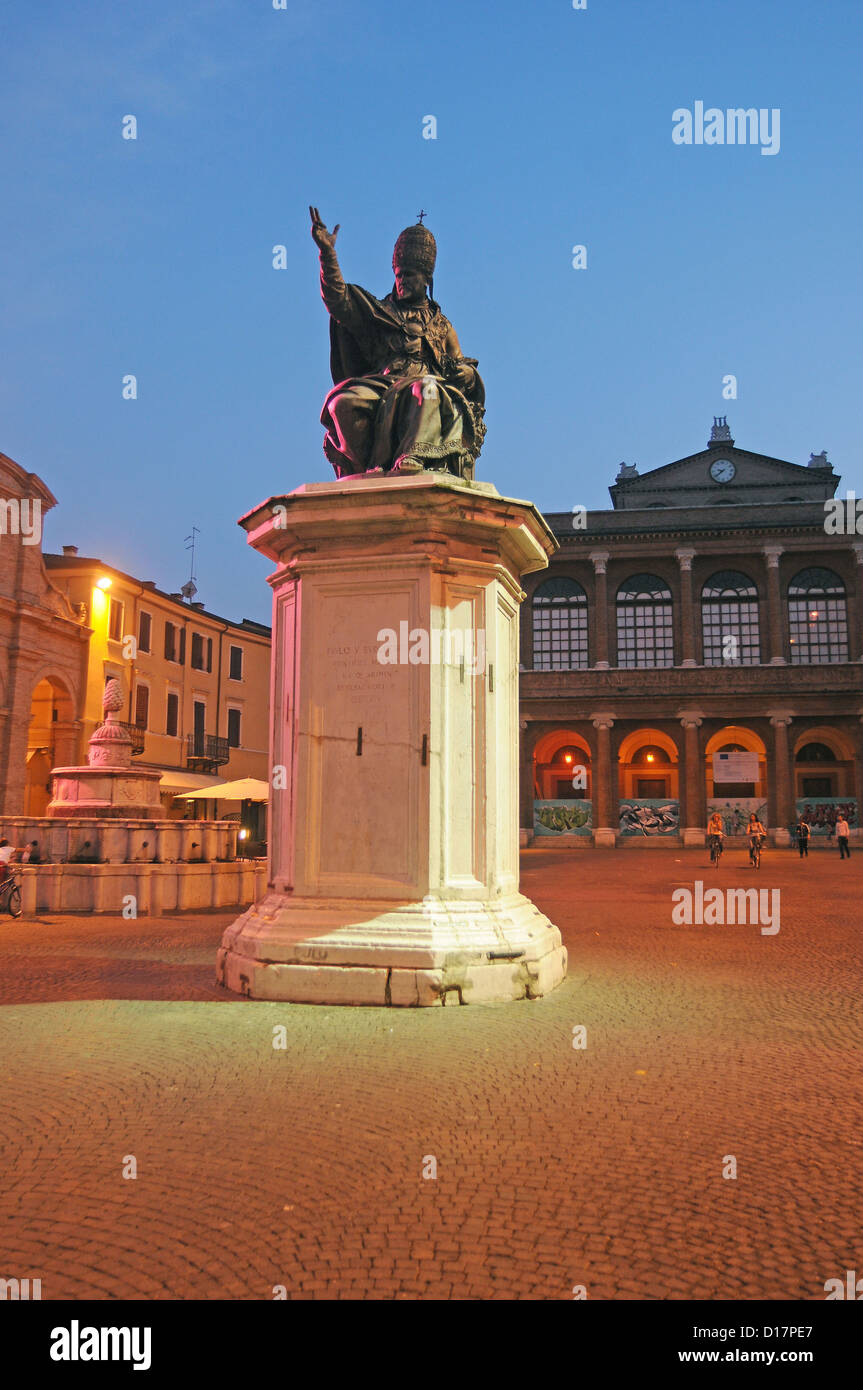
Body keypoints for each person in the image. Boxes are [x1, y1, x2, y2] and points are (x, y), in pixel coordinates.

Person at [310, 207, 486, 479]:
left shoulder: (442, 326)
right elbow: (339, 301)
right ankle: (364, 471)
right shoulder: (379, 313)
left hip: (425, 387)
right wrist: (328, 255)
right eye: (399, 274)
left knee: (426, 388)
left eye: (410, 275)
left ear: (427, 279)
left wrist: (468, 375)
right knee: (341, 403)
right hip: (382, 384)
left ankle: (413, 455)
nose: (402, 280)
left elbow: (461, 364)